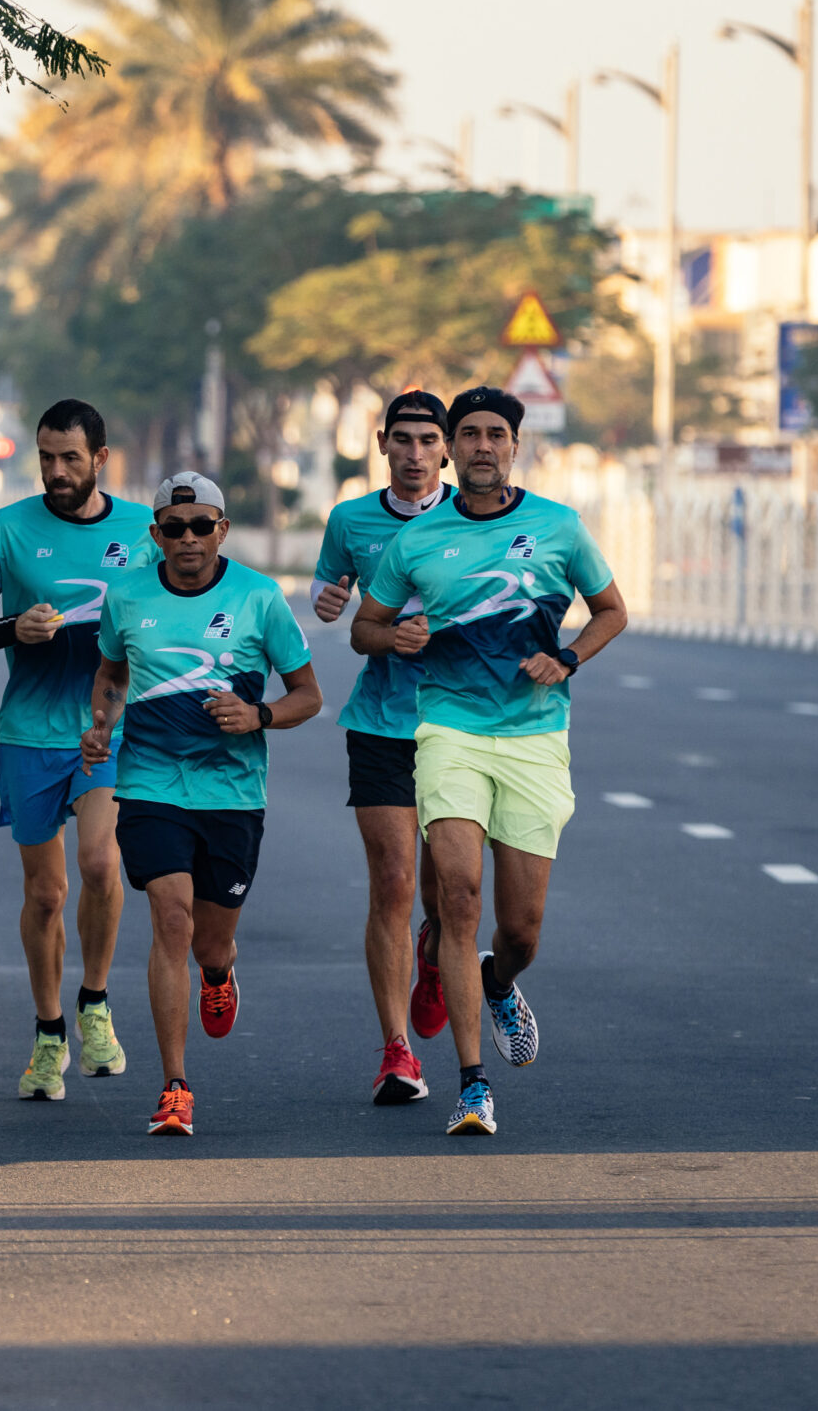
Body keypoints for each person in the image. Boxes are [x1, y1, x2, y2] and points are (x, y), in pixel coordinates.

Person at [351, 386, 628, 1137]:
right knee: (458, 895)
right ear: (448, 444)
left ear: (514, 446)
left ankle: (499, 980)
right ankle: (473, 1085)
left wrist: (567, 658)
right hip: (448, 731)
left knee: (523, 926)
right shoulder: (416, 541)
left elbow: (612, 610)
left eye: (494, 434)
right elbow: (364, 627)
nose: (480, 445)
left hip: (535, 737)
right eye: (467, 433)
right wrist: (394, 637)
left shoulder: (558, 527)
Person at [83, 472, 321, 1136]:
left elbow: (309, 694)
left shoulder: (260, 597)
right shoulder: (127, 596)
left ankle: (221, 969)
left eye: (202, 524)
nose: (187, 538)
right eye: (174, 527)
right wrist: (101, 724)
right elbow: (110, 672)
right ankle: (175, 1085)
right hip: (151, 784)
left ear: (222, 529)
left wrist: (259, 714)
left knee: (210, 941)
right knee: (171, 918)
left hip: (233, 794)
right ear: (156, 535)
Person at [0, 399, 156, 1103]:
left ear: (101, 458)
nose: (56, 471)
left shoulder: (140, 531)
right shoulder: (6, 530)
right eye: (46, 457)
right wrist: (13, 629)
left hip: (110, 727)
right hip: (29, 731)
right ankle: (48, 1031)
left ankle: (94, 1001)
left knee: (100, 862)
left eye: (70, 458)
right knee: (45, 892)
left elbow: (173, 610)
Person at [312, 391, 456, 1106]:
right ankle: (397, 1050)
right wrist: (333, 605)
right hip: (378, 723)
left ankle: (435, 958)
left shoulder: (474, 519)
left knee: (443, 891)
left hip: (459, 726)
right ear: (381, 443)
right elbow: (330, 590)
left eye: (428, 440)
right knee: (394, 882)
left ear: (447, 448)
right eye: (401, 439)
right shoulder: (350, 519)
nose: (414, 453)